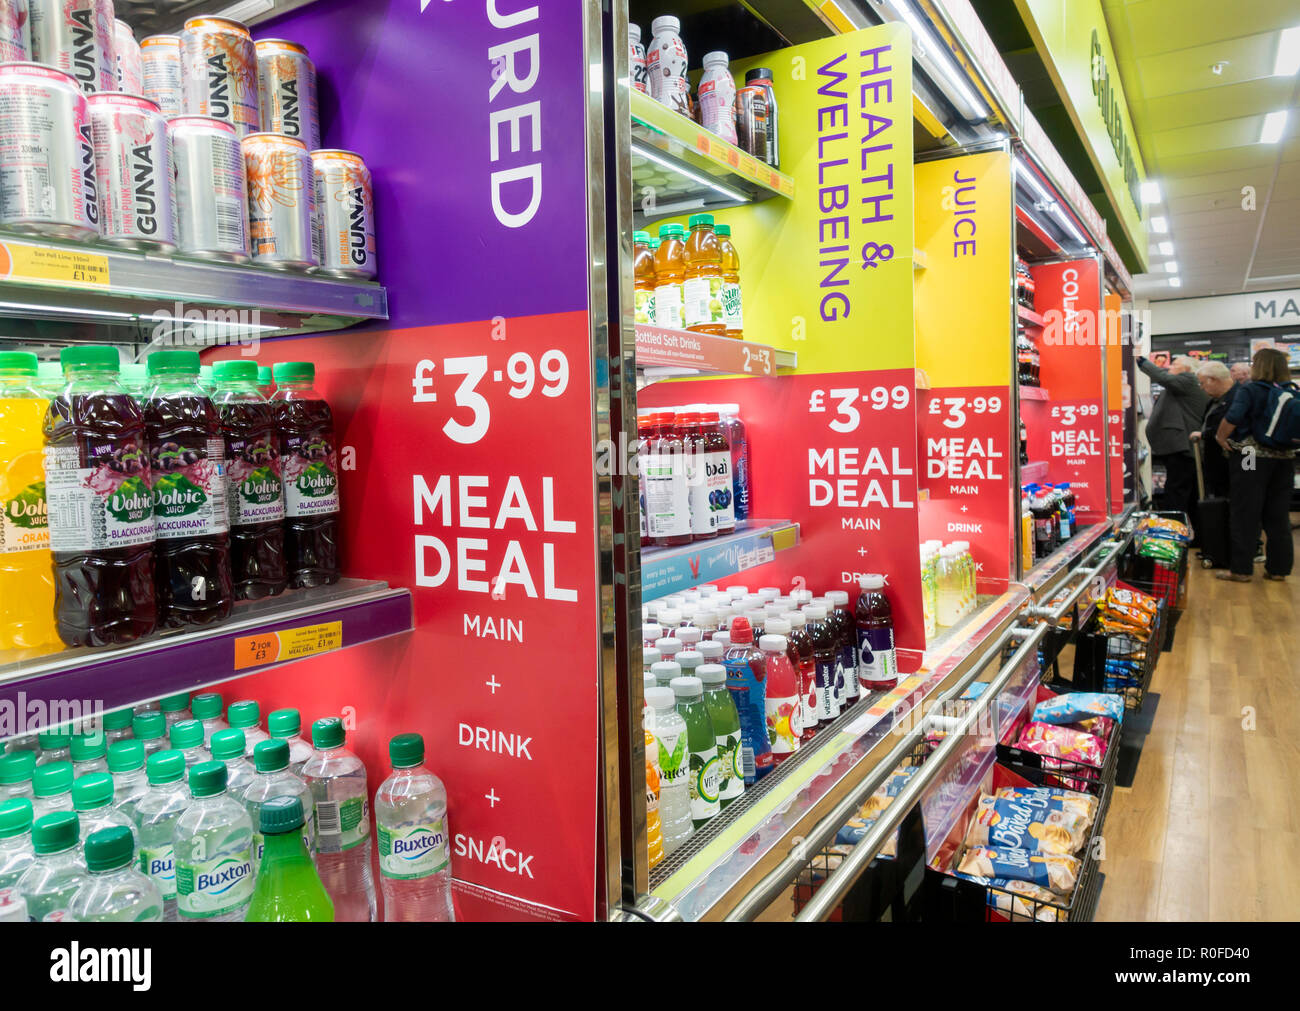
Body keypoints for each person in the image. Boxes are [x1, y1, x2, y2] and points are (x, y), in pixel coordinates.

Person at [1215, 347, 1296, 582]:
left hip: (1251, 454)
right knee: (1278, 515)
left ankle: (1241, 569)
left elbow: (1233, 417)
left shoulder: (1251, 389)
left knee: (1245, 511)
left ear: (1259, 366)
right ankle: (1279, 569)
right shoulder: (1289, 391)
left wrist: (1221, 438)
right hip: (1284, 458)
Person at [1137, 354, 1210, 530]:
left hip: (1182, 447)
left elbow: (1163, 378)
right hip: (1183, 447)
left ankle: (1173, 534)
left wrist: (1141, 361)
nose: (1169, 367)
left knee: (1177, 491)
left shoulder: (1188, 379)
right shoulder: (1185, 385)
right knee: (1187, 491)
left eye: (1174, 364)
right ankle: (1193, 534)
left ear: (1187, 369)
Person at [1190, 361, 1236, 497]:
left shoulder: (1238, 398)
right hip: (1216, 464)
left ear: (1213, 380)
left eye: (1202, 383)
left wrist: (1204, 434)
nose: (1201, 388)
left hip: (1232, 463)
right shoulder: (1214, 401)